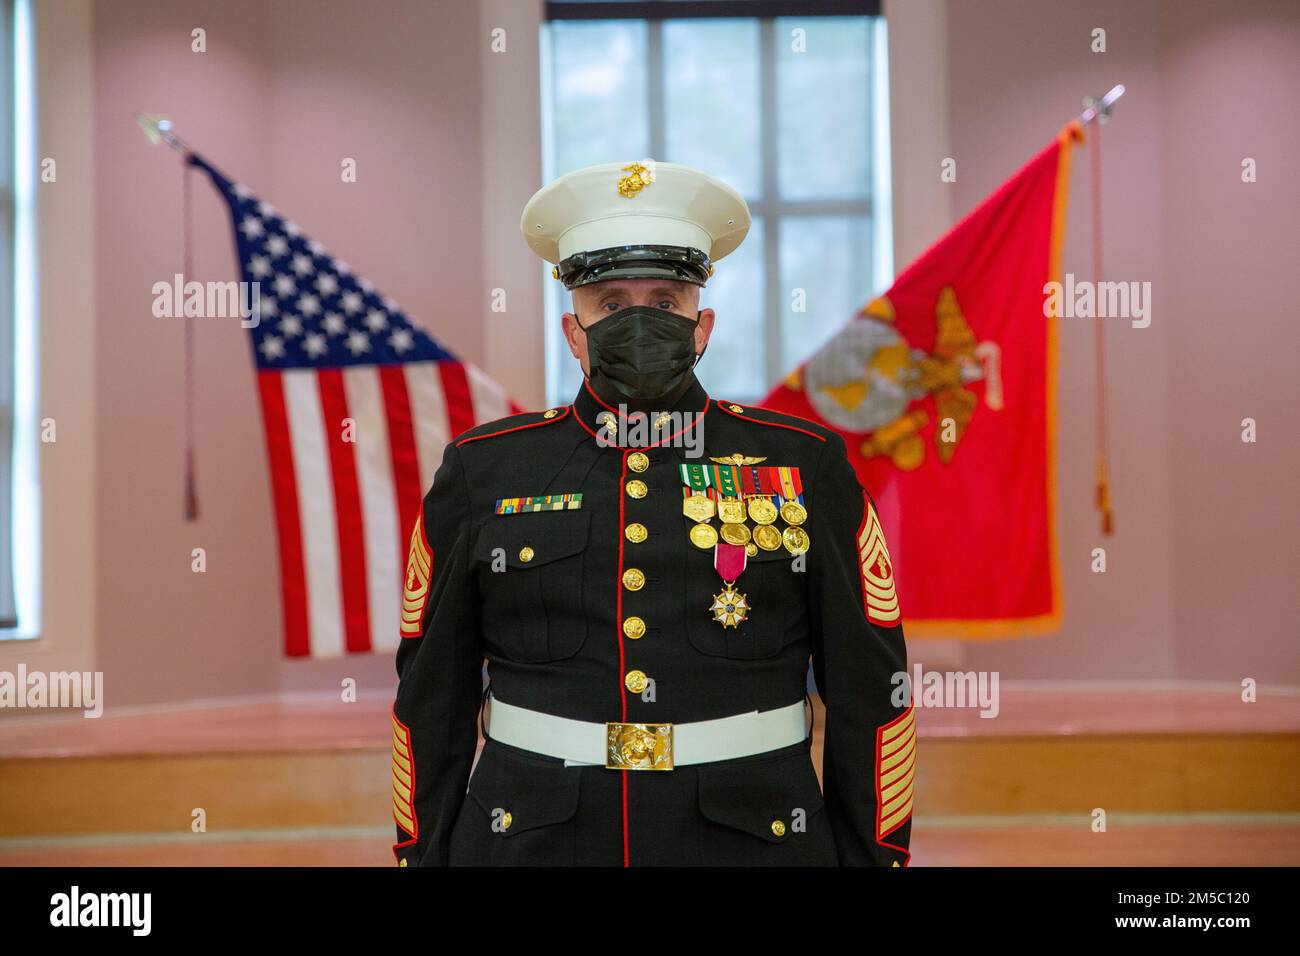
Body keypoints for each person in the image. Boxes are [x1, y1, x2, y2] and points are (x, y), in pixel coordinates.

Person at [390, 160, 913, 866]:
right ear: (574, 332)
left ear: (702, 325)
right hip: (530, 839)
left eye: (664, 302)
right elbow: (432, 697)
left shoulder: (803, 463)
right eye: (610, 303)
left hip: (753, 838)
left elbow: (870, 688)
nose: (638, 321)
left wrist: (871, 859)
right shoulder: (485, 470)